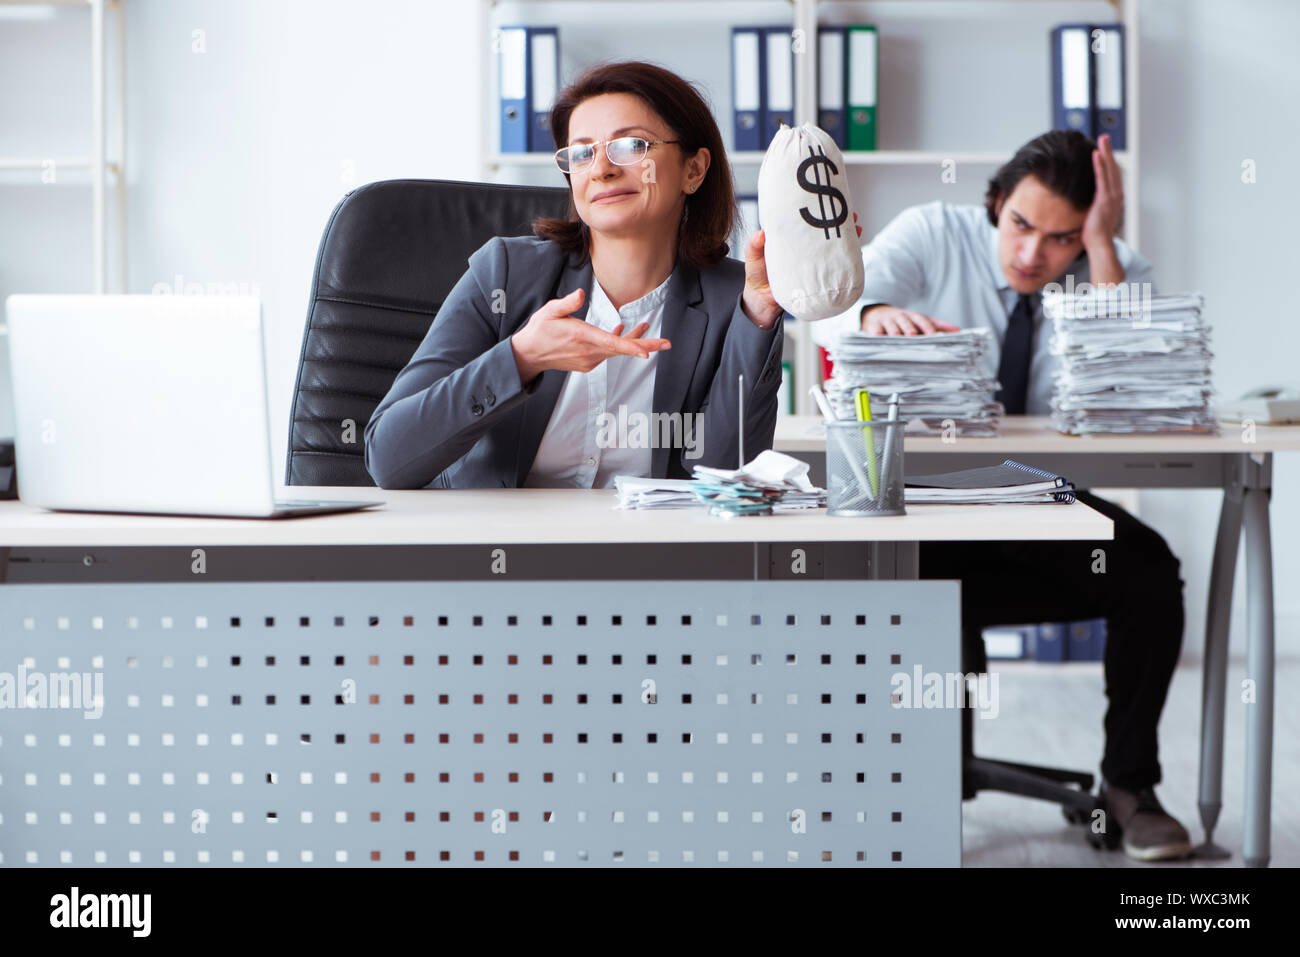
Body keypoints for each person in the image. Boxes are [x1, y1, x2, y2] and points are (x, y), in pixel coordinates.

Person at [812, 130, 1191, 861]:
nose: (1031, 254)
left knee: (1148, 572)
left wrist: (1101, 248)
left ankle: (1128, 787)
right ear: (995, 203)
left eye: (1061, 238)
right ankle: (867, 791)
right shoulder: (933, 232)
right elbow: (825, 303)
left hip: (1037, 515)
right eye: (1021, 225)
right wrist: (870, 314)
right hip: (917, 515)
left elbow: (1128, 386)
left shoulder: (1111, 269)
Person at [366, 61, 852, 490]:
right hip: (498, 552)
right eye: (581, 153)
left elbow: (727, 474)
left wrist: (759, 313)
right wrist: (521, 357)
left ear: (694, 170)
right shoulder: (504, 275)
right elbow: (389, 458)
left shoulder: (734, 299)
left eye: (630, 146)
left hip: (645, 556)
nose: (600, 169)